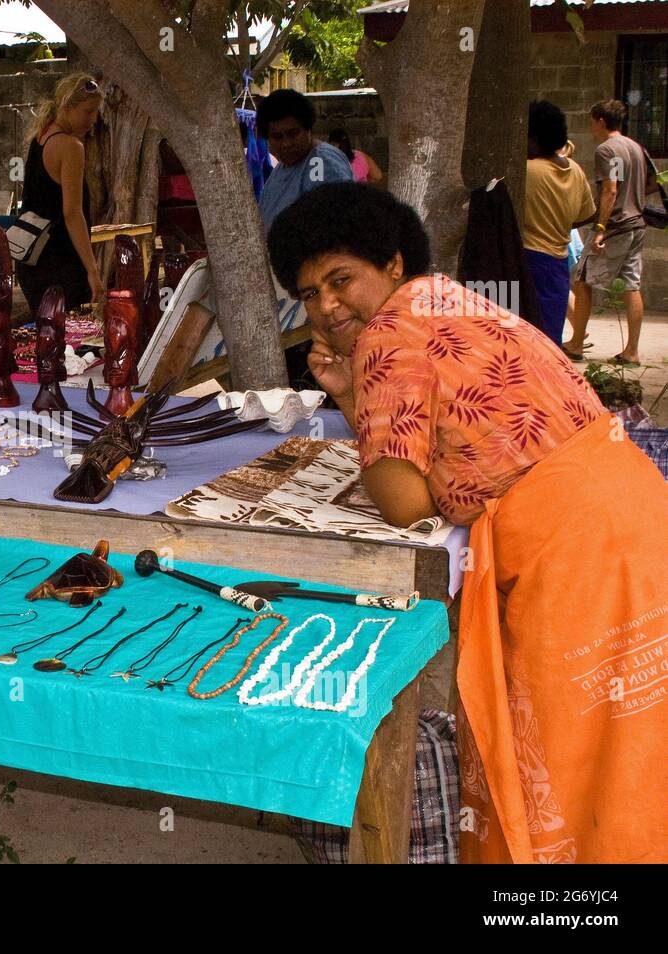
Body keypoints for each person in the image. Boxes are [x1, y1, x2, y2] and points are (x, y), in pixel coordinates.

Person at [267, 182, 668, 864]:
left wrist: (359, 395)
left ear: (393, 264)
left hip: (573, 553)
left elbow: (402, 500)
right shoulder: (445, 301)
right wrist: (352, 394)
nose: (326, 307)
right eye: (308, 294)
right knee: (630, 747)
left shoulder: (390, 331)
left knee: (571, 764)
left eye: (340, 280)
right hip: (630, 514)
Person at [566, 99, 653, 365]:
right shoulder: (636, 148)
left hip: (615, 226)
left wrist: (601, 227)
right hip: (637, 223)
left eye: (592, 121)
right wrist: (635, 200)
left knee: (581, 280)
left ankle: (576, 343)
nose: (590, 127)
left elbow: (610, 189)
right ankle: (632, 351)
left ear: (601, 121)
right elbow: (651, 181)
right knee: (630, 284)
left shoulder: (607, 150)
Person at [14, 72, 106, 319]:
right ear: (67, 106)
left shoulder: (40, 137)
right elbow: (72, 213)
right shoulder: (71, 147)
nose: (93, 119)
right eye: (88, 111)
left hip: (31, 260)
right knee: (70, 344)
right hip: (60, 262)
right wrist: (93, 271)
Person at [522, 101, 597, 347]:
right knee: (549, 338)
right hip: (558, 262)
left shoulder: (528, 171)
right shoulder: (575, 170)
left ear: (533, 139)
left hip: (529, 260)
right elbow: (587, 214)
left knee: (522, 335)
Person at [256, 89, 354, 233]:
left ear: (308, 129)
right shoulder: (283, 166)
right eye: (277, 137)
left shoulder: (318, 162)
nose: (286, 143)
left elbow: (330, 226)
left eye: (293, 133)